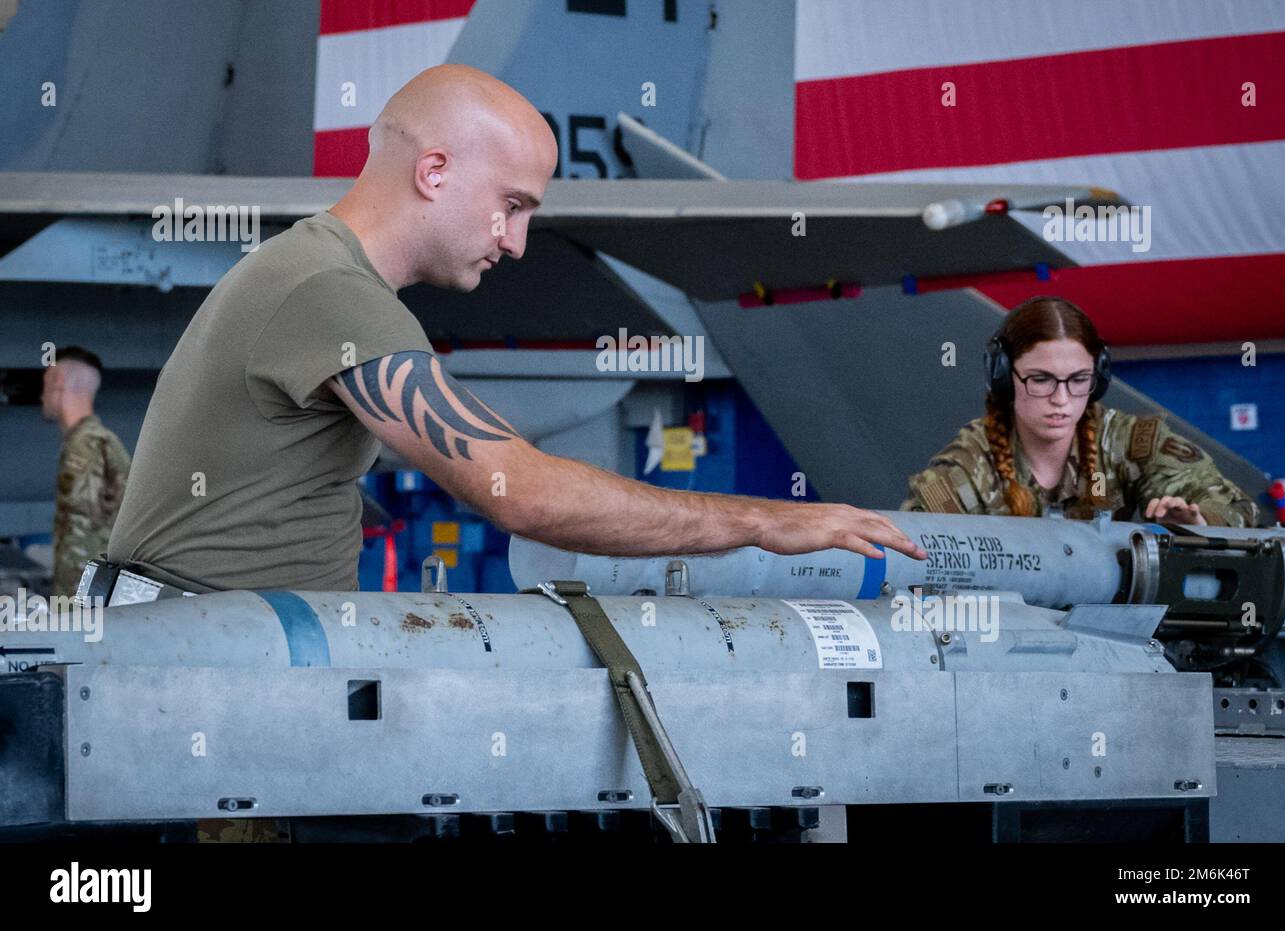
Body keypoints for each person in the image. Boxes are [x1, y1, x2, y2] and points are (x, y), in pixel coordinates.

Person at [107, 64, 923, 594]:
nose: (517, 241)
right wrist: (774, 522)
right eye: (513, 206)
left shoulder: (321, 275)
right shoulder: (329, 290)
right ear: (434, 172)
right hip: (206, 698)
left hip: (217, 670)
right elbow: (520, 492)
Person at [900, 296, 1259, 526]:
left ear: (1097, 379)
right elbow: (918, 548)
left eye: (1078, 379)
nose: (1061, 398)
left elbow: (1236, 507)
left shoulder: (1130, 443)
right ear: (1004, 378)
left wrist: (1198, 522)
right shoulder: (969, 465)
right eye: (1041, 379)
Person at [41, 346, 133, 596]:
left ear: (58, 382)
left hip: (85, 602)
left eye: (45, 383)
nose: (42, 396)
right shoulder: (95, 440)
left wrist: (70, 607)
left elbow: (80, 537)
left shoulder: (85, 446)